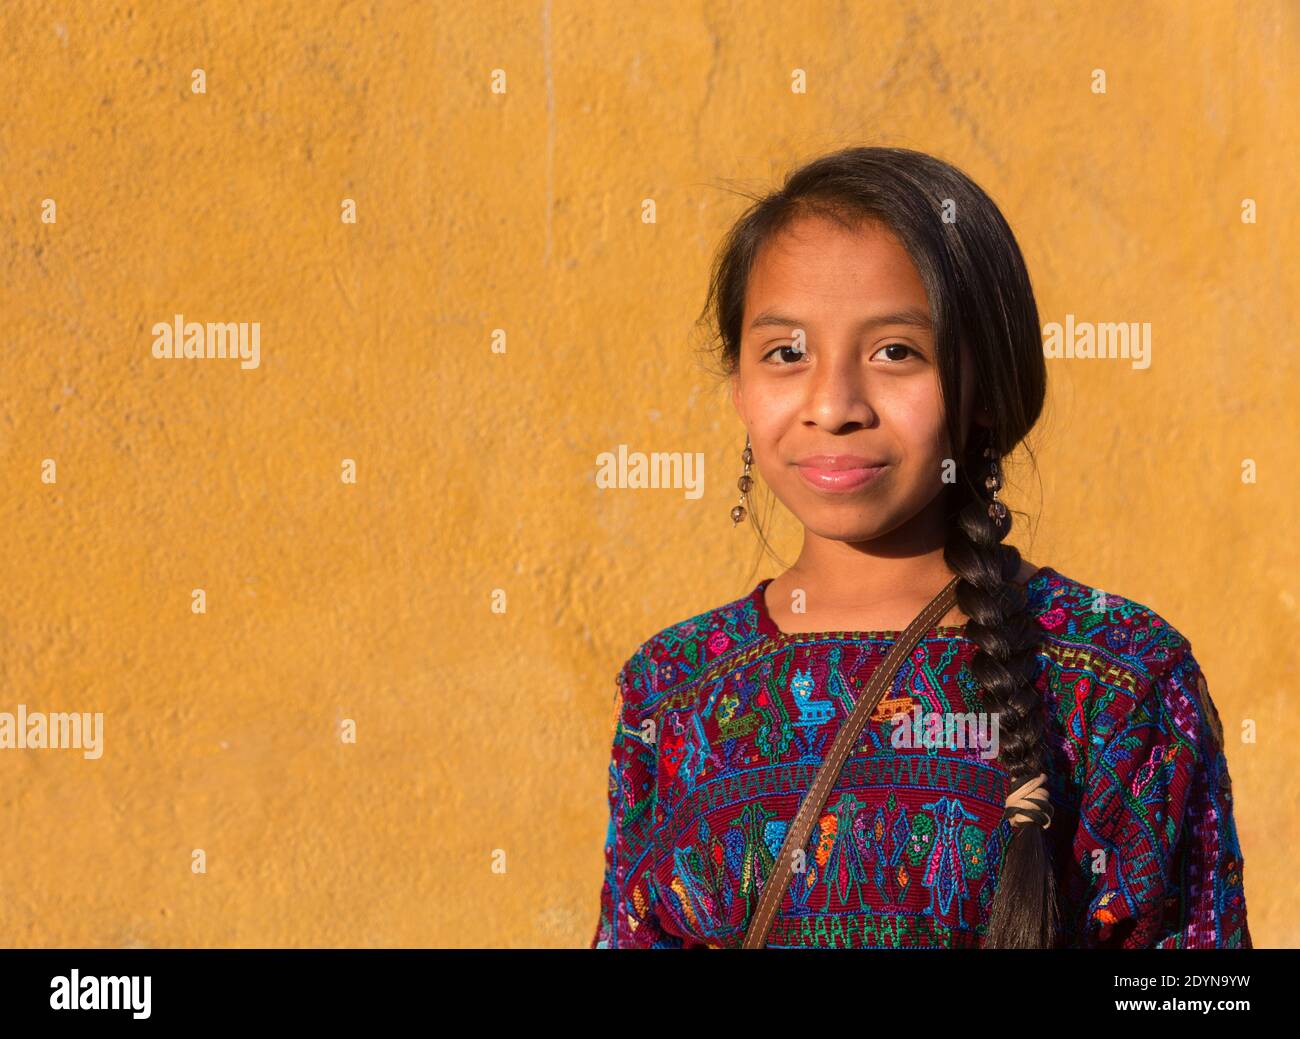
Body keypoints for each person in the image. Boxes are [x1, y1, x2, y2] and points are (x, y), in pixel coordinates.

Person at [591, 146, 1250, 949]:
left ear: (984, 385)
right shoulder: (674, 692)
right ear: (738, 381)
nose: (832, 405)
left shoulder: (1115, 682)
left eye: (896, 351)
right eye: (786, 352)